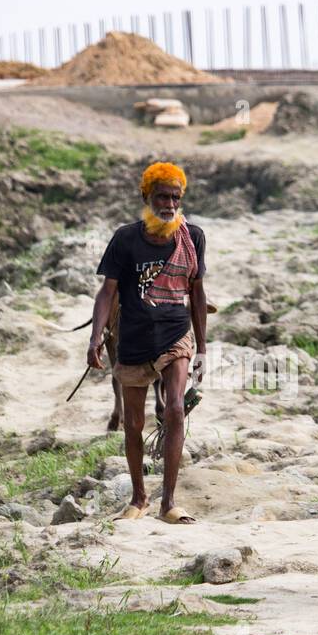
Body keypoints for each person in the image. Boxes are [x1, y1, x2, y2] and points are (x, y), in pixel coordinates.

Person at [87, 161, 207, 524]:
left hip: (175, 336)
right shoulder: (125, 239)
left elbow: (198, 293)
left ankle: (168, 502)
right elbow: (107, 292)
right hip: (134, 340)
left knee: (173, 410)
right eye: (162, 196)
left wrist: (202, 347)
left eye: (175, 197)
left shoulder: (193, 237)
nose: (169, 204)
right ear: (147, 197)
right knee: (134, 424)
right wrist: (95, 337)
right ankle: (138, 498)